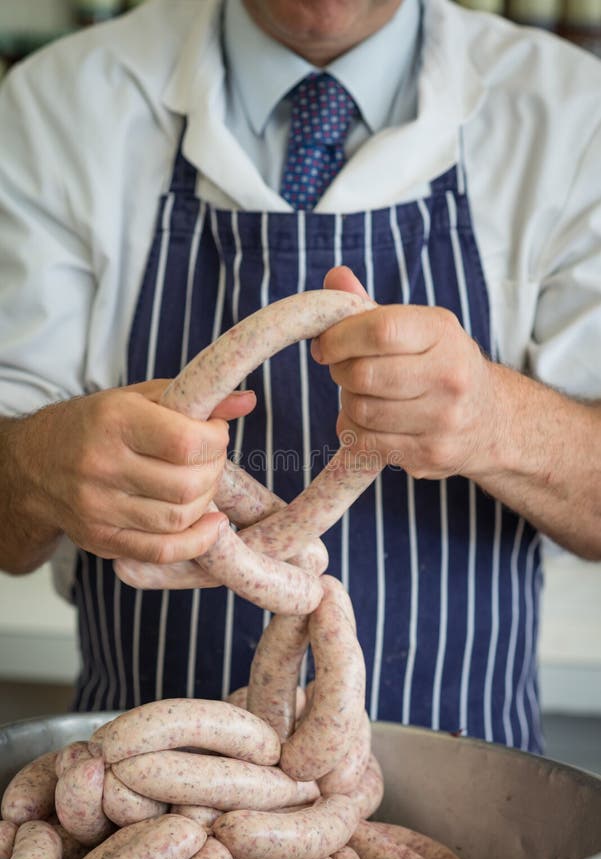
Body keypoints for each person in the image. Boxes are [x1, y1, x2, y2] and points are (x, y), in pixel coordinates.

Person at [0, 0, 600, 755]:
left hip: (476, 795)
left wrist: (498, 422)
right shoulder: (57, 101)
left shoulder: (576, 110)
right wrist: (35, 463)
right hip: (140, 795)